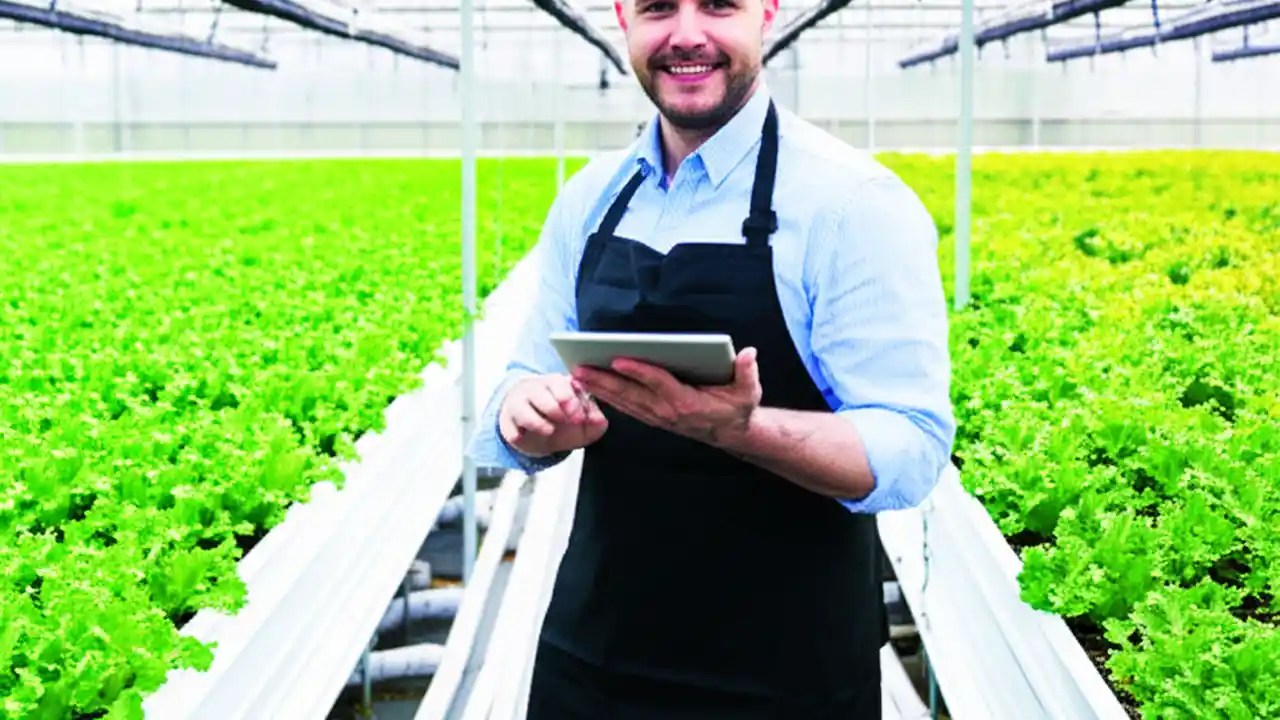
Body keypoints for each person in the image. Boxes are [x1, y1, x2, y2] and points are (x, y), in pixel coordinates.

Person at [465, 0, 955, 715]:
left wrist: (740, 430)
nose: (687, 34)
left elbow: (911, 447)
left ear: (766, 12)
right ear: (623, 18)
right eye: (659, 7)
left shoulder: (853, 205)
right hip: (595, 655)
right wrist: (529, 419)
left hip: (788, 671)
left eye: (718, 5)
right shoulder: (590, 199)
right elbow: (523, 378)